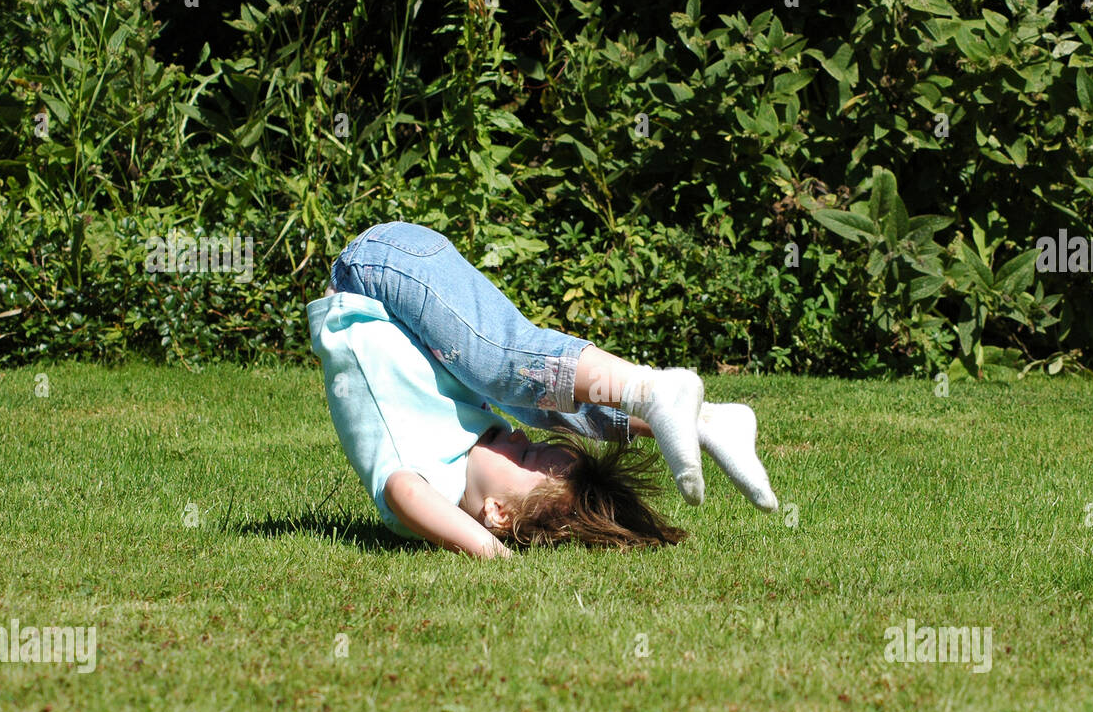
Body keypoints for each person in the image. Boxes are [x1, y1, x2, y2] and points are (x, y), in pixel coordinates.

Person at [307, 221, 777, 559]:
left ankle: (699, 418)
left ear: (497, 513)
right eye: (529, 448)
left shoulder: (435, 487)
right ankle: (666, 404)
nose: (516, 437)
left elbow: (402, 492)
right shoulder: (472, 445)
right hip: (395, 272)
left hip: (373, 277)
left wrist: (490, 552)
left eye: (526, 454)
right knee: (528, 391)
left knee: (513, 381)